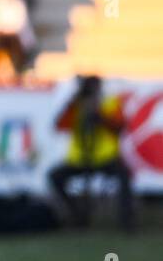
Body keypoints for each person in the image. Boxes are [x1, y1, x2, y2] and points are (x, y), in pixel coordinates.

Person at [47, 76, 135, 230]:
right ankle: (76, 215)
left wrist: (100, 117)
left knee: (125, 175)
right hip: (79, 160)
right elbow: (59, 126)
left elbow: (120, 128)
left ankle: (127, 221)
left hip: (105, 158)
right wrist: (73, 104)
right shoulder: (75, 106)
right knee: (55, 177)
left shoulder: (109, 103)